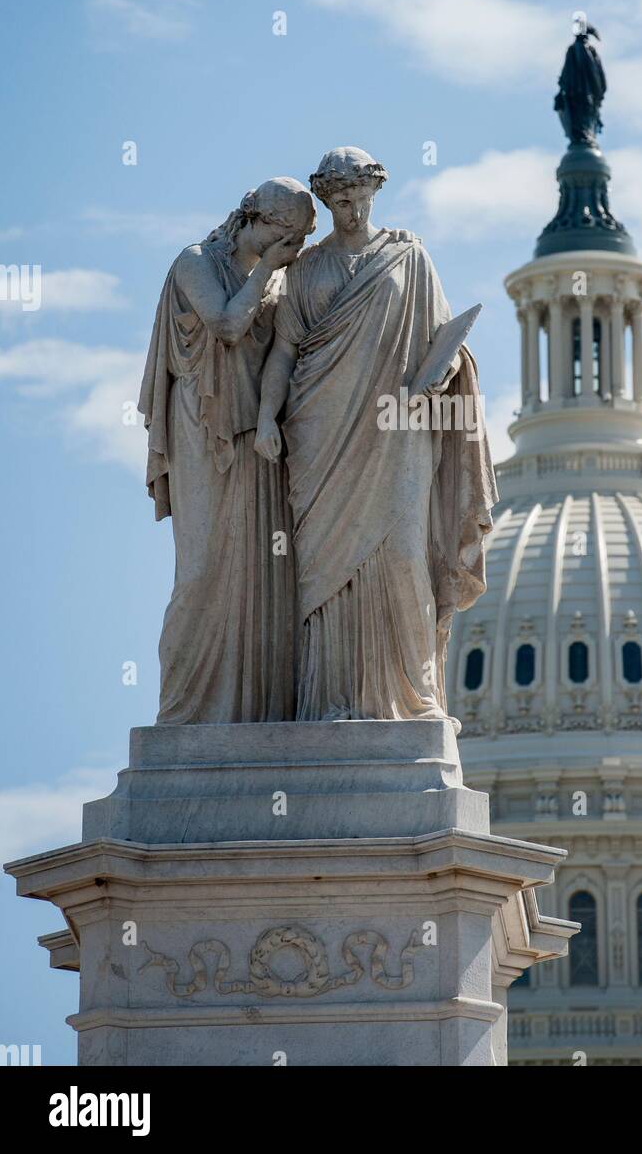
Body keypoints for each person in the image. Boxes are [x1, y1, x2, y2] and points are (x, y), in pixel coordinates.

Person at [255, 147, 497, 721]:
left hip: (397, 430)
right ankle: (331, 699)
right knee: (324, 570)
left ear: (375, 193)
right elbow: (285, 350)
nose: (351, 209)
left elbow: (446, 344)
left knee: (401, 555)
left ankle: (409, 698)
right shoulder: (306, 269)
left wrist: (441, 379)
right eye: (339, 201)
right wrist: (266, 417)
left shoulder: (409, 258)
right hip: (318, 434)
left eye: (359, 198)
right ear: (325, 201)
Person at [139, 177, 314, 723]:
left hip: (258, 437)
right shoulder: (195, 262)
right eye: (288, 237)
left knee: (264, 570)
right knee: (203, 566)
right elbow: (227, 324)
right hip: (204, 424)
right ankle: (185, 711)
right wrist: (267, 271)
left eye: (303, 241)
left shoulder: (281, 282)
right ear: (255, 220)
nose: (296, 252)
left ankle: (254, 713)